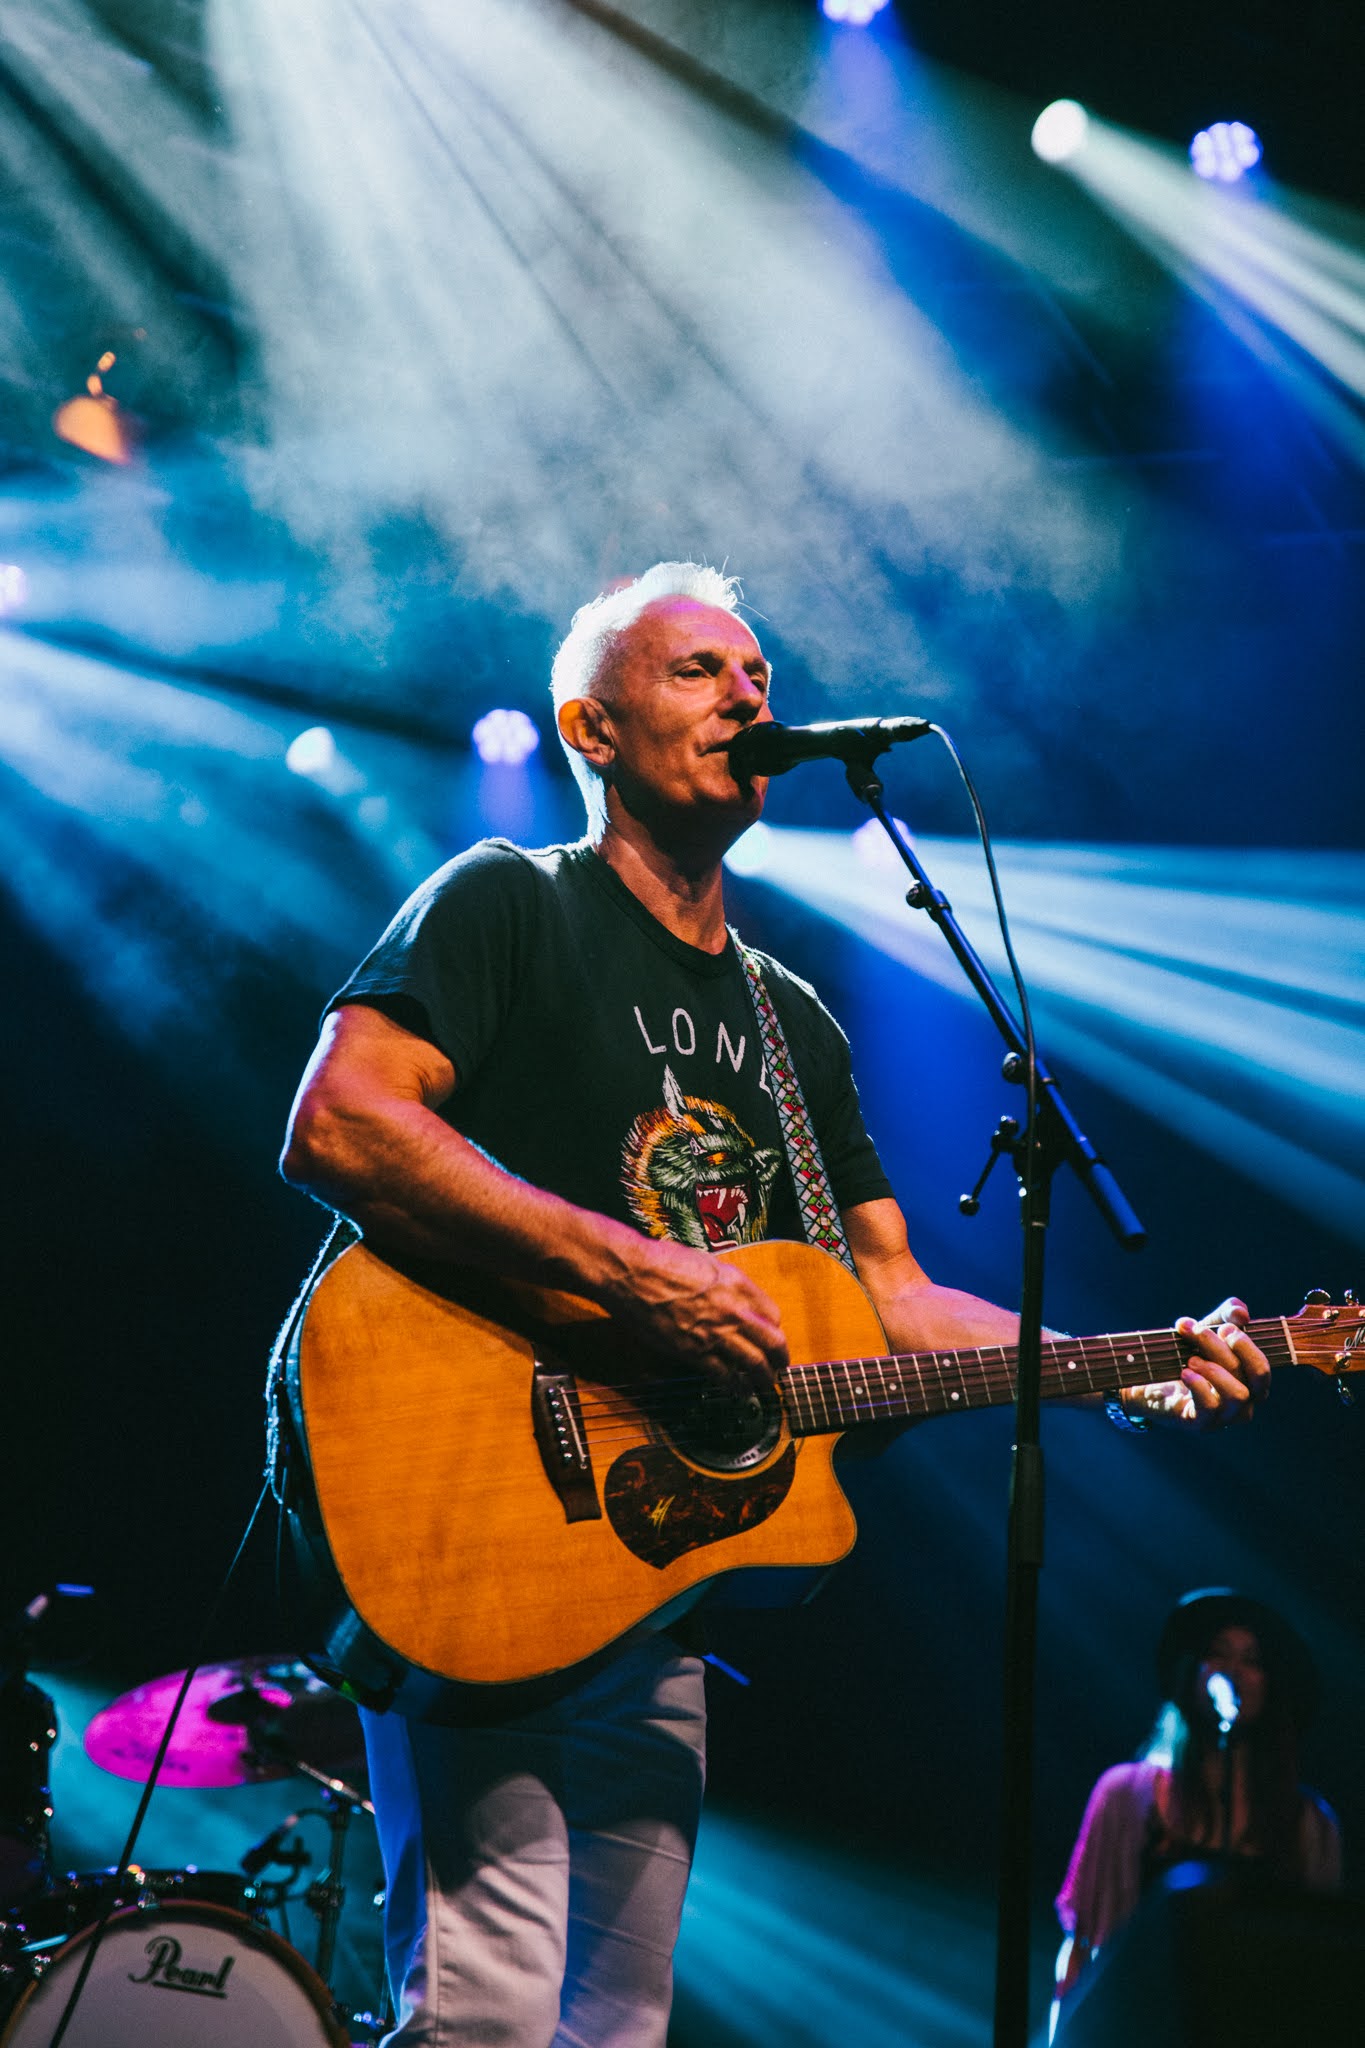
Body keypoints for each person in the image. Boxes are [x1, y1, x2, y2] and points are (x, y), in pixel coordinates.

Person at [280, 561, 1271, 2048]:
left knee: (619, 2026)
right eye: (696, 671)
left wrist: (1108, 1367)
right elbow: (342, 1124)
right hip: (472, 1509)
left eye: (755, 674)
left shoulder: (785, 1014)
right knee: (475, 2016)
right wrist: (631, 1272)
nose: (749, 696)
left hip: (654, 1576)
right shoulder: (506, 901)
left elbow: (891, 1302)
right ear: (591, 729)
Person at [1052, 1587, 1342, 2031]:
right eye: (1218, 1654)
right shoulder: (1126, 1795)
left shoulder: (1309, 1823)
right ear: (1193, 1673)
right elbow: (1082, 1945)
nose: (1233, 1671)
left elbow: (1322, 1967)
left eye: (1252, 1660)